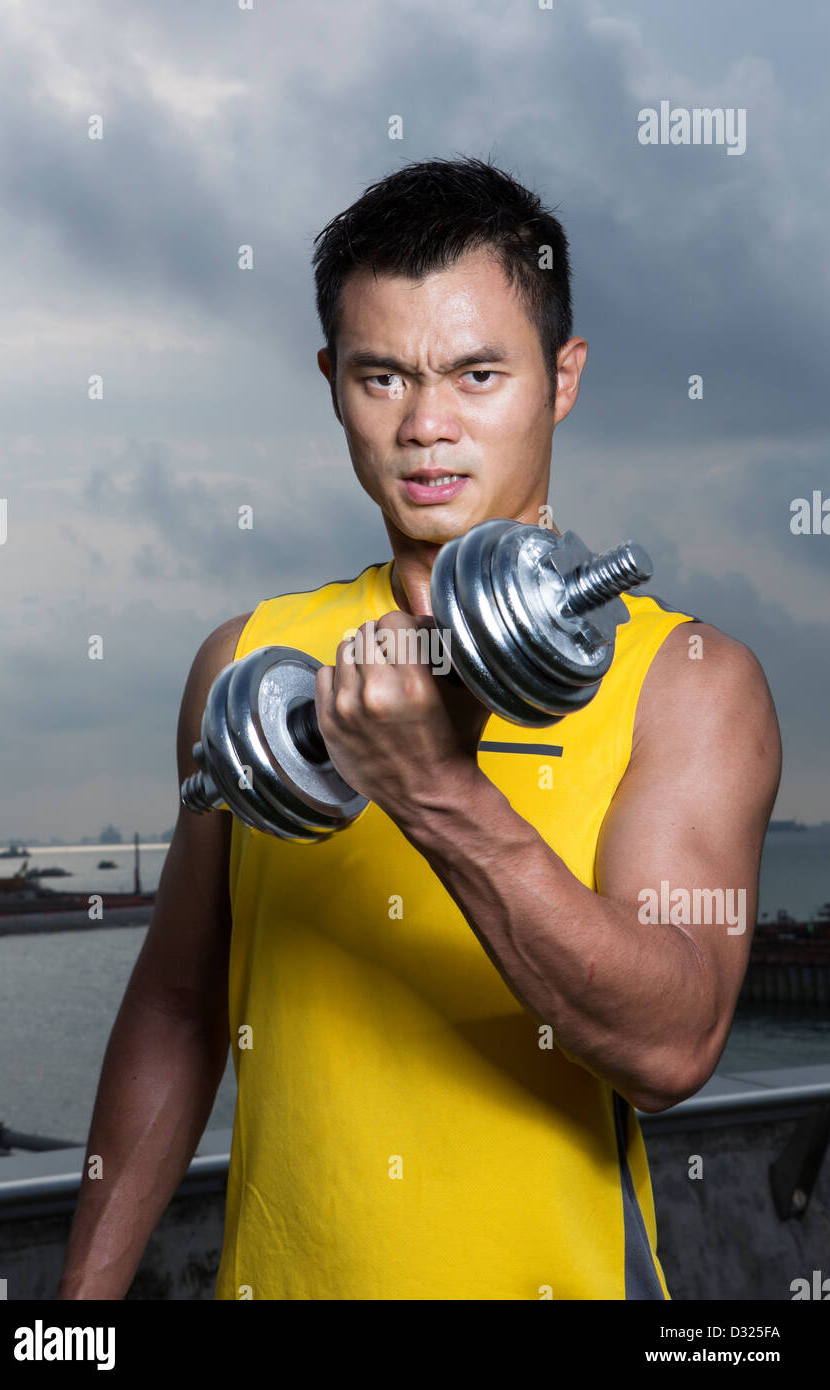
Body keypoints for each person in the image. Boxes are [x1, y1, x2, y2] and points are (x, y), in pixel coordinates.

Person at [57, 155, 781, 1301]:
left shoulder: (683, 680)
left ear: (561, 377)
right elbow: (179, 1006)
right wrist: (75, 1316)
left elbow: (671, 1045)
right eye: (381, 377)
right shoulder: (249, 661)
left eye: (476, 373)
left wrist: (438, 791)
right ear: (330, 381)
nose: (425, 427)